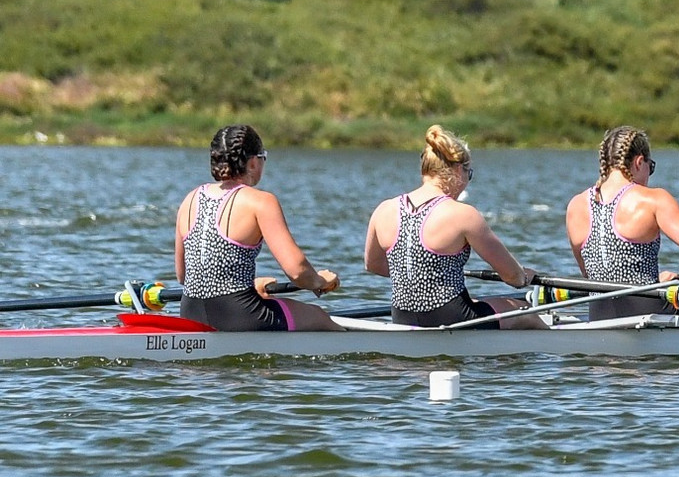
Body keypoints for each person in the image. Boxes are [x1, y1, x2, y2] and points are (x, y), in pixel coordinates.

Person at [363, 125, 544, 329]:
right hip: (453, 318)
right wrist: (525, 276)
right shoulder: (463, 214)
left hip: (402, 318)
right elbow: (512, 276)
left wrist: (420, 274)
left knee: (478, 303)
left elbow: (373, 265)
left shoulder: (384, 209)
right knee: (525, 312)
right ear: (459, 170)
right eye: (470, 174)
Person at [173, 124, 341, 332]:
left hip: (190, 313)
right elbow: (297, 271)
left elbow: (183, 276)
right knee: (320, 317)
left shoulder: (190, 199)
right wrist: (319, 281)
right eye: (263, 157)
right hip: (237, 314)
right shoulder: (261, 202)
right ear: (253, 162)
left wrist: (249, 284)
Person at [565, 126, 679, 321]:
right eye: (652, 167)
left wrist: (656, 283)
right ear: (639, 162)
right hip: (647, 312)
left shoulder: (576, 205)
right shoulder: (653, 200)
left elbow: (589, 273)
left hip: (600, 316)